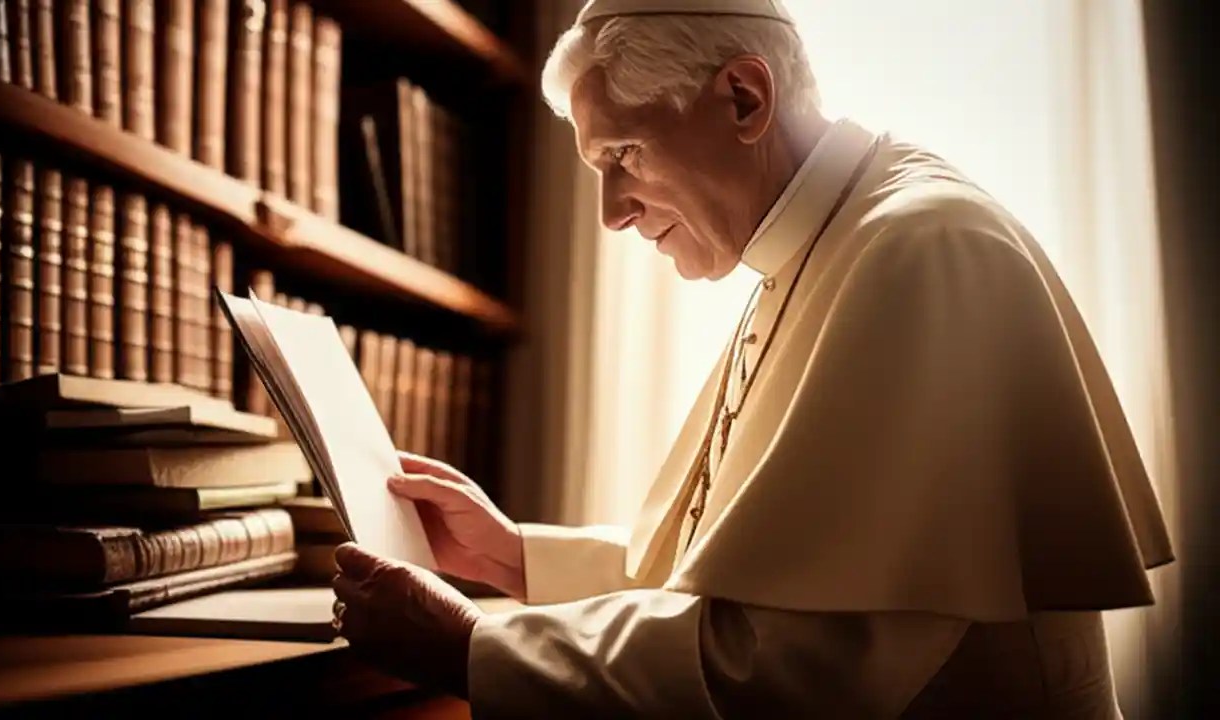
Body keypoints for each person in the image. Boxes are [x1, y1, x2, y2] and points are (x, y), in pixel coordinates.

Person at [330, 0, 1174, 716]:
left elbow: (814, 655)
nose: (611, 214)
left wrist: (473, 645)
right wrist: (516, 556)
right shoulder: (825, 242)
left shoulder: (920, 247)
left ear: (742, 97)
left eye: (622, 156)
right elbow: (765, 569)